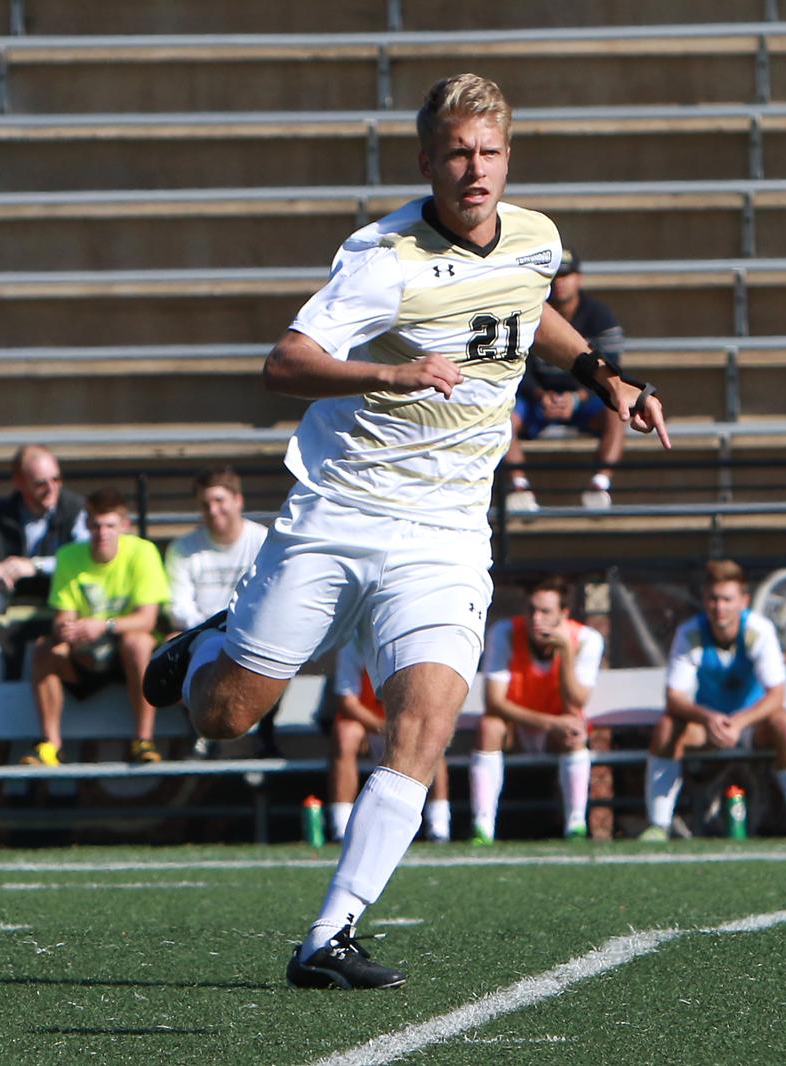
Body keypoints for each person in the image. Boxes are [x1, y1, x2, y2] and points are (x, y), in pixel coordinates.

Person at [140, 73, 668, 992]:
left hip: (447, 531)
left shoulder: (536, 238)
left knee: (425, 724)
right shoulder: (383, 257)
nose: (475, 169)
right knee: (224, 717)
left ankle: (330, 934)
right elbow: (285, 363)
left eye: (490, 152)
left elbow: (526, 306)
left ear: (509, 158)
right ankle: (206, 647)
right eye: (458, 152)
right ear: (427, 160)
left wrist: (603, 375)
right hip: (342, 510)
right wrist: (388, 375)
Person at [642, 559, 786, 841]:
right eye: (713, 599)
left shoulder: (758, 631)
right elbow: (674, 698)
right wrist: (708, 718)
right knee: (666, 726)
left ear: (743, 601)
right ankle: (658, 825)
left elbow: (776, 695)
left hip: (752, 725)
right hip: (709, 727)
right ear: (704, 600)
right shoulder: (690, 633)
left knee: (785, 721)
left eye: (727, 599)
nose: (719, 607)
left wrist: (738, 722)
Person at [24, 489, 170, 767]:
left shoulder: (143, 552)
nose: (102, 533)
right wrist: (67, 630)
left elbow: (147, 620)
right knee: (45, 649)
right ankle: (50, 745)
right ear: (87, 526)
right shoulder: (69, 556)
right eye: (96, 526)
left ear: (124, 526)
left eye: (110, 526)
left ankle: (143, 740)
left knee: (138, 642)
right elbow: (63, 617)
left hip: (128, 655)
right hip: (86, 653)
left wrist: (103, 625)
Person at [470, 574, 604, 842]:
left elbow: (576, 702)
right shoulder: (505, 633)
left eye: (545, 611)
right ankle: (482, 826)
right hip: (517, 728)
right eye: (531, 610)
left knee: (574, 730)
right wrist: (549, 723)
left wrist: (566, 652)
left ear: (564, 614)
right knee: (489, 726)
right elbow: (494, 701)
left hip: (558, 731)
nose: (536, 619)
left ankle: (576, 825)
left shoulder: (587, 639)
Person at [502, 247, 627, 512]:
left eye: (566, 275)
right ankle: (519, 487)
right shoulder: (530, 311)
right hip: (536, 399)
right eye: (555, 276)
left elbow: (611, 367)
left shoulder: (599, 315)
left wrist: (577, 398)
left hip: (584, 400)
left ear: (579, 278)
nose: (559, 282)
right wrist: (540, 395)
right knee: (502, 415)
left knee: (617, 413)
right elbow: (514, 362)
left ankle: (599, 485)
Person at [326, 643, 450, 845]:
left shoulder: (412, 643)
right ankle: (341, 827)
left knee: (432, 738)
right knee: (345, 735)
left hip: (406, 726)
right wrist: (381, 727)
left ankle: (439, 826)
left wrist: (404, 728)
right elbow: (348, 702)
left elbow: (426, 700)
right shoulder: (353, 645)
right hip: (370, 727)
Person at [0, 444, 87, 604]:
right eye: (40, 483)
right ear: (19, 482)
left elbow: (87, 557)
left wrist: (35, 566)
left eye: (56, 479)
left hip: (63, 606)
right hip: (13, 607)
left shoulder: (76, 510)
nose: (51, 488)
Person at [164, 466, 268, 631]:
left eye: (219, 501)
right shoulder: (181, 548)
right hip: (200, 632)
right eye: (205, 504)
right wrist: (210, 628)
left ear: (238, 500)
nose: (213, 511)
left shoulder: (263, 541)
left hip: (253, 631)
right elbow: (178, 607)